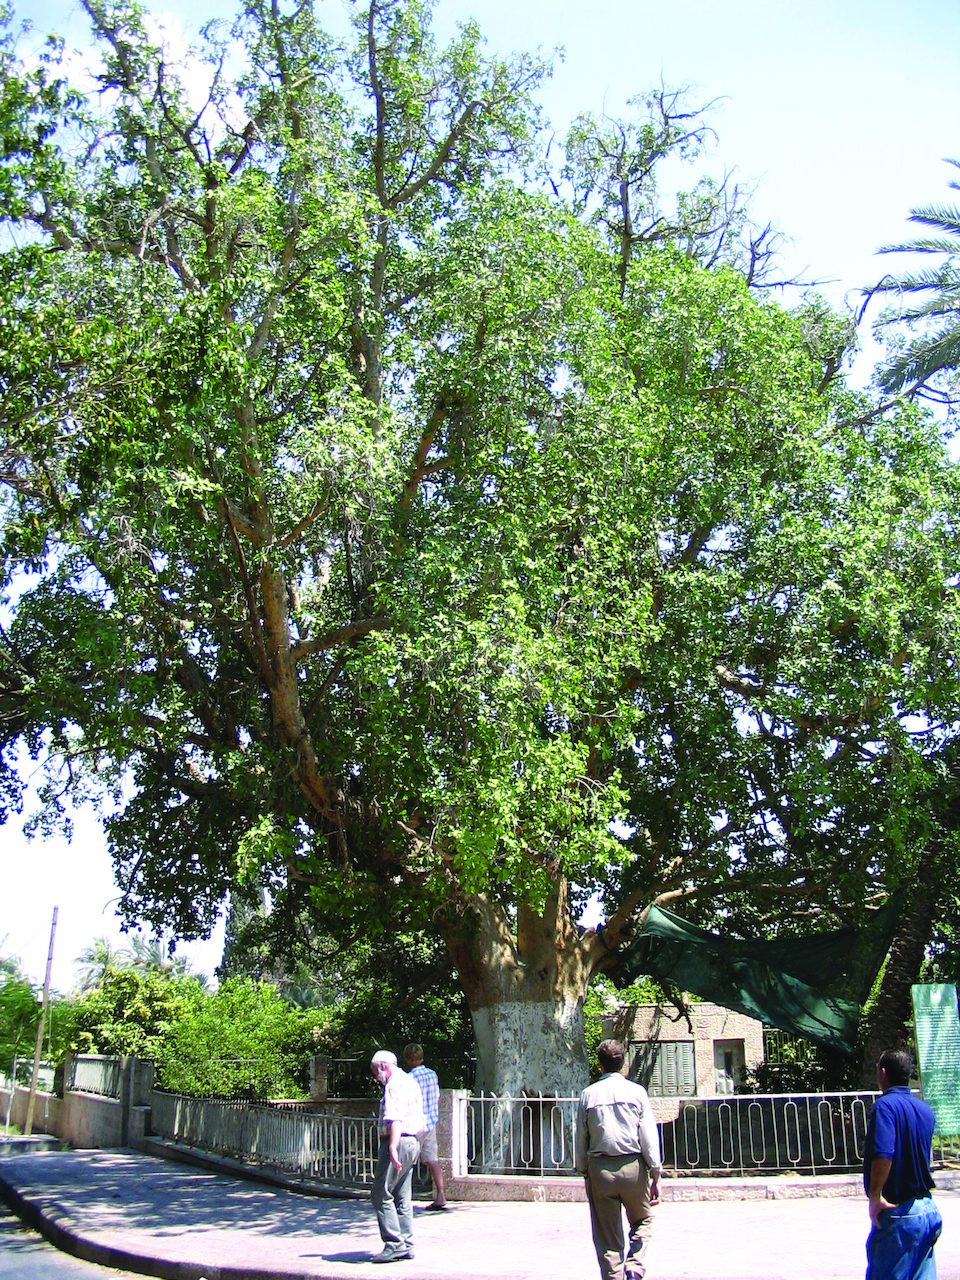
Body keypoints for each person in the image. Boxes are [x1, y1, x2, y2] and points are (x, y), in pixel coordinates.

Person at [576, 1039, 663, 1280]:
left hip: (600, 1169)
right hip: (634, 1166)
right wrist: (655, 1173)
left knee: (607, 1235)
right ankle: (634, 1266)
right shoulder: (637, 1093)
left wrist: (584, 1171)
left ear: (600, 1065)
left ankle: (613, 1277)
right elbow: (648, 1136)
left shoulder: (588, 1095)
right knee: (643, 1219)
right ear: (623, 1063)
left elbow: (581, 1137)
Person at [863, 1047, 942, 1280]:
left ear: (883, 1073)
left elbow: (884, 1154)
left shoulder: (884, 1107)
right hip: (927, 1209)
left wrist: (876, 1196)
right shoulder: (924, 1110)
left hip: (899, 1212)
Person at [369, 1049, 426, 1263]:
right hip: (413, 1141)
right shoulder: (410, 1081)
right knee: (402, 1196)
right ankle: (407, 1244)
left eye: (376, 1072)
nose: (377, 1078)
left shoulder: (394, 1084)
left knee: (380, 1193)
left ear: (383, 1066)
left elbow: (395, 1117)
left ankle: (394, 1244)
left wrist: (393, 1146)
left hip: (398, 1140)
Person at [403, 1043, 447, 1209]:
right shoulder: (432, 1074)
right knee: (432, 1160)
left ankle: (403, 1196)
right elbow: (436, 1097)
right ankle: (441, 1195)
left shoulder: (409, 1078)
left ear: (407, 1059)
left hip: (414, 1123)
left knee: (407, 1160)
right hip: (430, 1122)